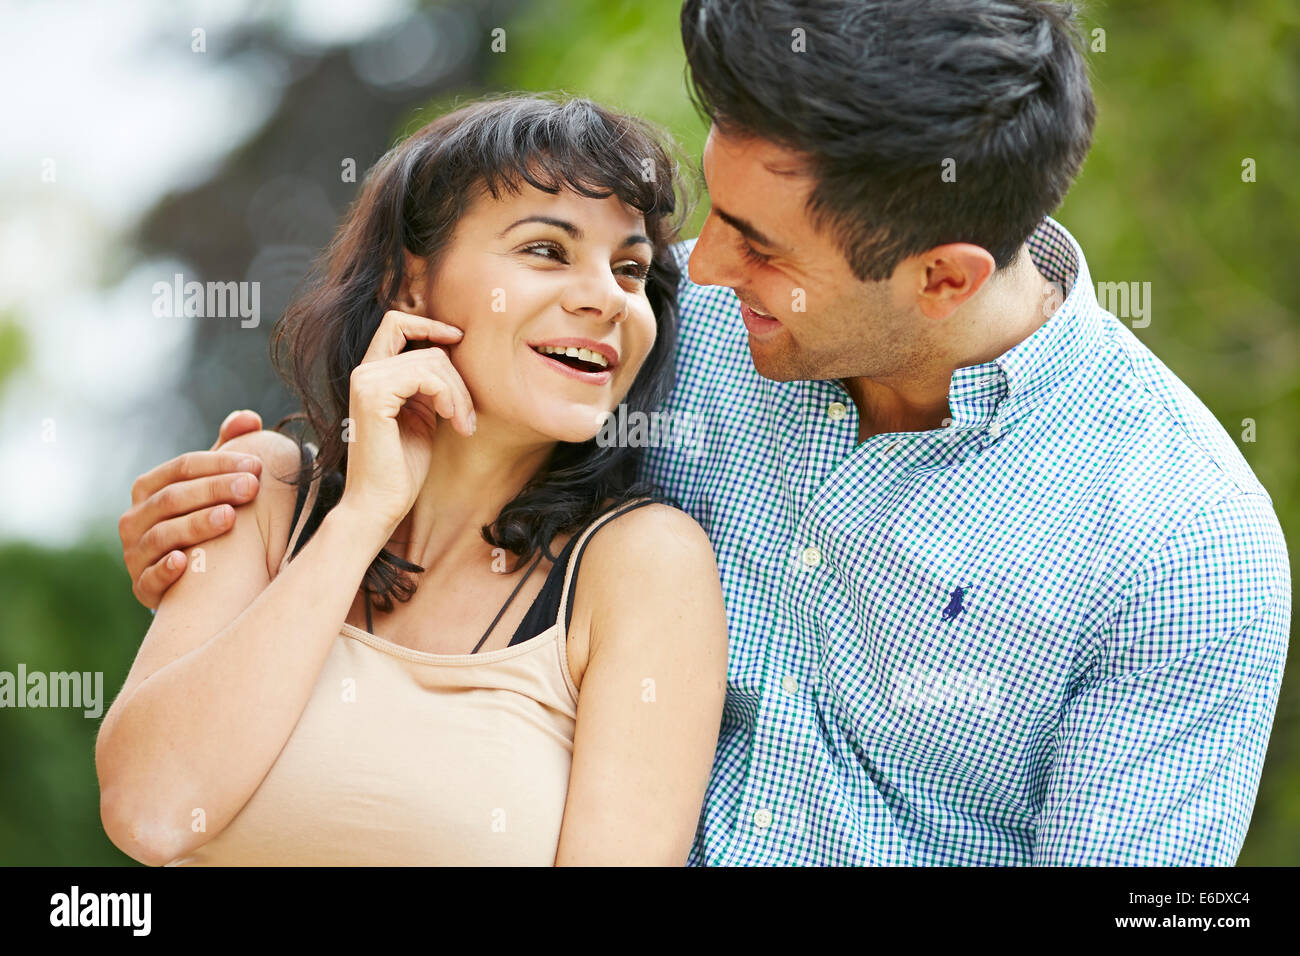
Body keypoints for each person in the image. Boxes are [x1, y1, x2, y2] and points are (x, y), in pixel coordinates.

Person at [118, 0, 1291, 866]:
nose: (699, 270)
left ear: (942, 278)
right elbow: (424, 431)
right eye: (713, 216)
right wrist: (235, 535)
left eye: (759, 244)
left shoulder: (1183, 551)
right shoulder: (649, 327)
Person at [97, 94, 729, 866]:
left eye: (630, 268)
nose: (607, 298)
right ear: (409, 282)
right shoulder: (263, 491)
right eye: (546, 250)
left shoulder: (641, 565)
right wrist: (362, 516)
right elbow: (151, 812)